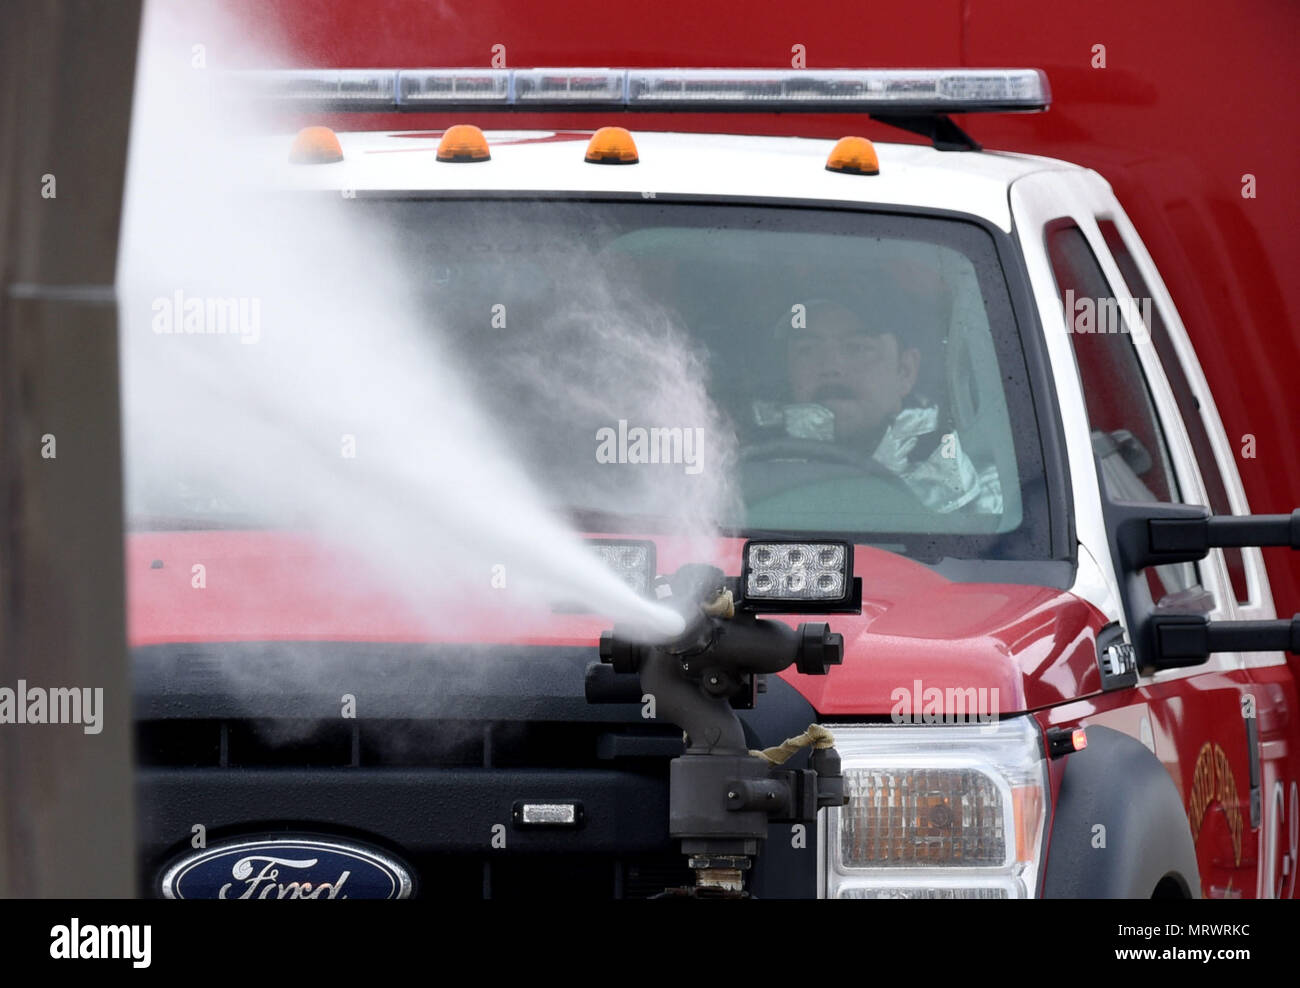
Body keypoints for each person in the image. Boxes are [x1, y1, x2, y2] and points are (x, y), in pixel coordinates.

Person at [749, 297, 1001, 514]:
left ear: (904, 371)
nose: (831, 367)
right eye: (807, 350)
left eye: (856, 348)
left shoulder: (982, 498)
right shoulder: (737, 466)